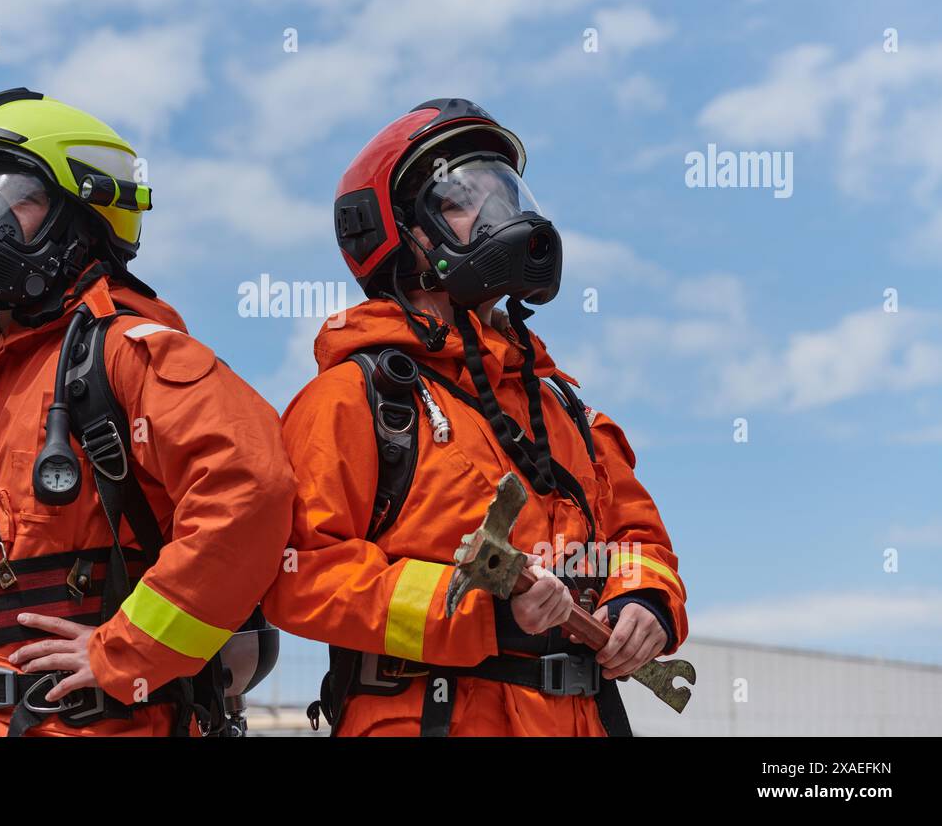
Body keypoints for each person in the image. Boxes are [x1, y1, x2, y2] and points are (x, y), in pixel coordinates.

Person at [262, 98, 688, 736]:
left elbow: (639, 541)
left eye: (507, 195)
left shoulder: (562, 410)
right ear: (397, 234)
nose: (500, 216)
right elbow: (300, 576)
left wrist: (644, 599)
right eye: (464, 199)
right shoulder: (355, 399)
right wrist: (476, 608)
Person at [0, 88, 293, 736]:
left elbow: (253, 490)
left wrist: (129, 652)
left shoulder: (130, 359)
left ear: (84, 216)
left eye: (14, 196)